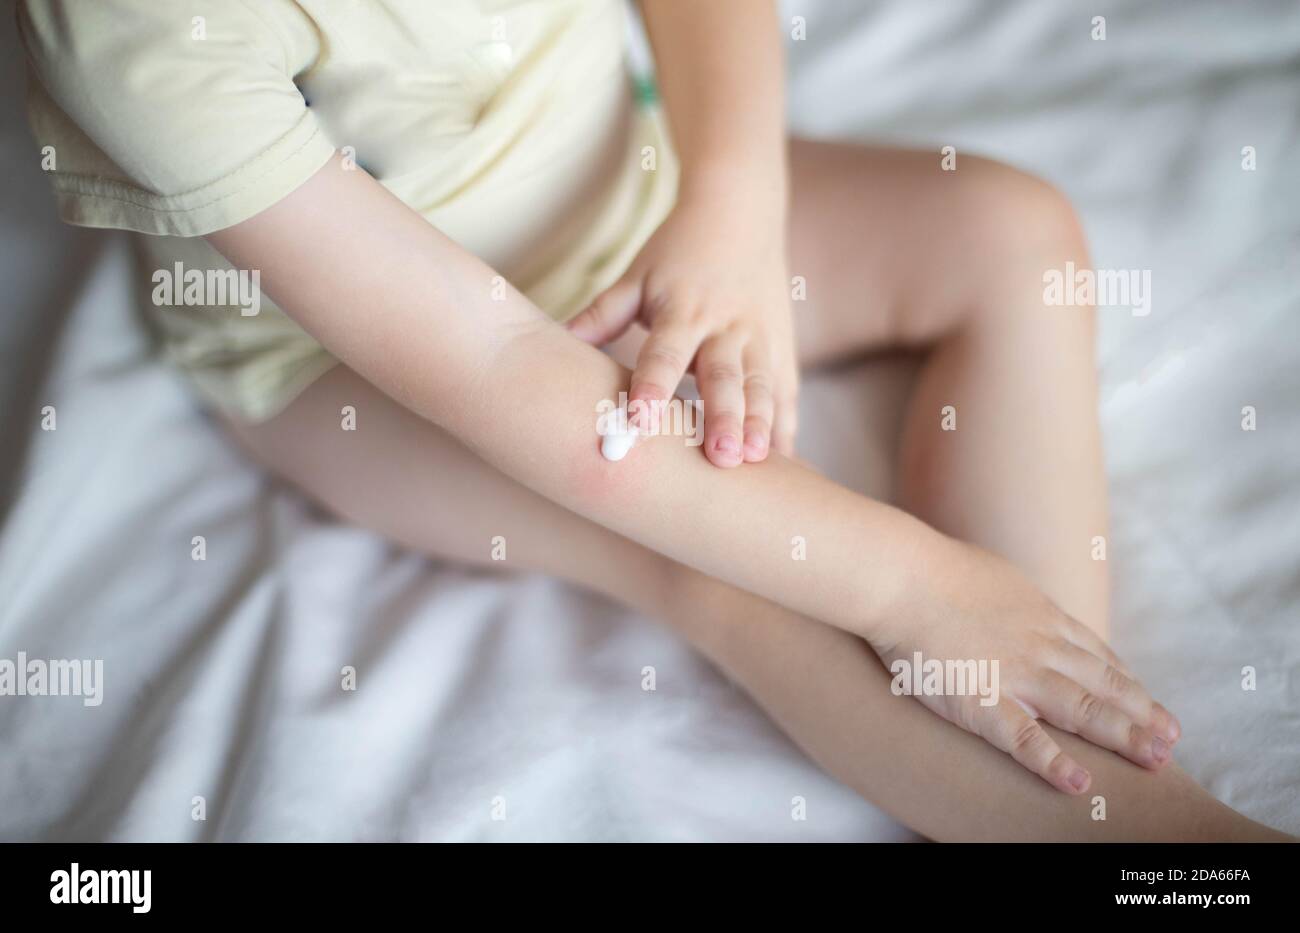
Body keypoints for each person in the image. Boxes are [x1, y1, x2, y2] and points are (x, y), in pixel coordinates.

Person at [17, 0, 1289, 840]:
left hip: (624, 194)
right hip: (362, 360)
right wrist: (913, 584)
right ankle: (1146, 840)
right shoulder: (132, 29)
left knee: (1011, 234)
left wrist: (730, 210)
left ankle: (1071, 754)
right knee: (730, 566)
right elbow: (488, 353)